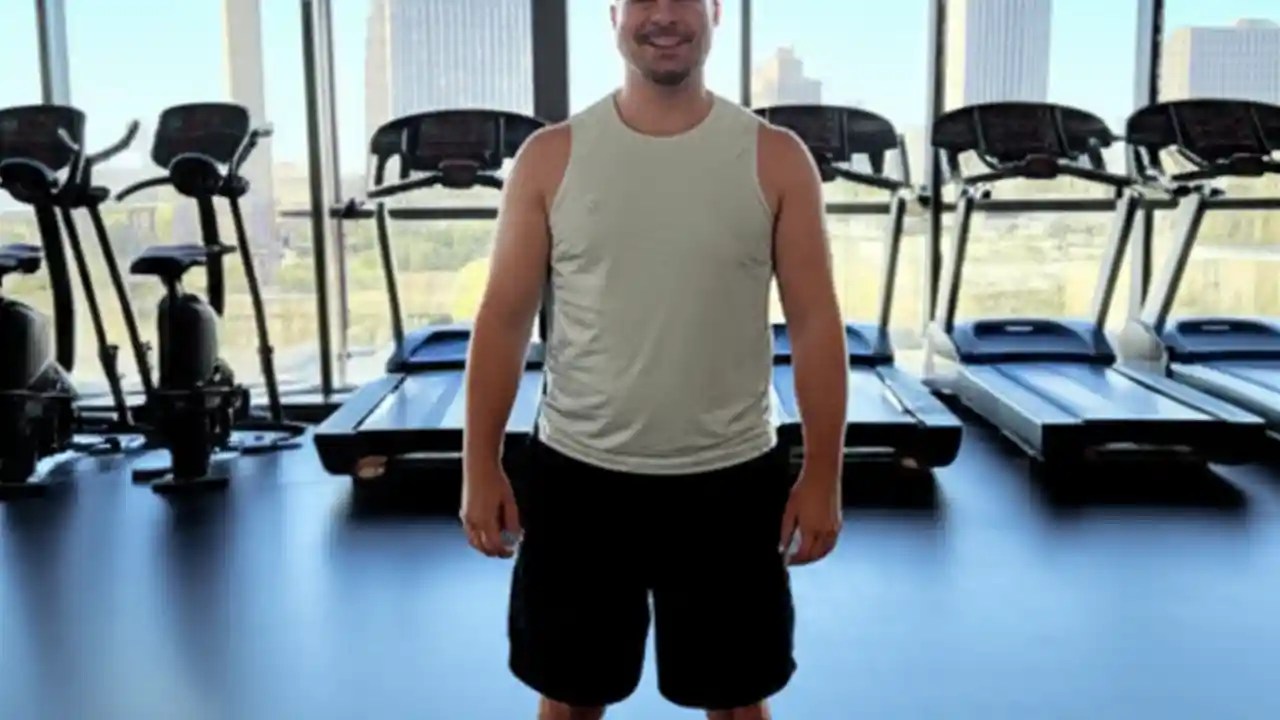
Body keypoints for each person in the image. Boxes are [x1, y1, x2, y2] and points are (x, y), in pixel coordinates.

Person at [461, 0, 848, 718]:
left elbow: (817, 325)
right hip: (580, 480)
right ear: (613, 12)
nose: (665, 15)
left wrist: (824, 473)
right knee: (571, 698)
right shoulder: (551, 157)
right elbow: (505, 317)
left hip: (729, 483)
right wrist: (478, 464)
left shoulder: (776, 158)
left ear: (717, 13)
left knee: (737, 701)